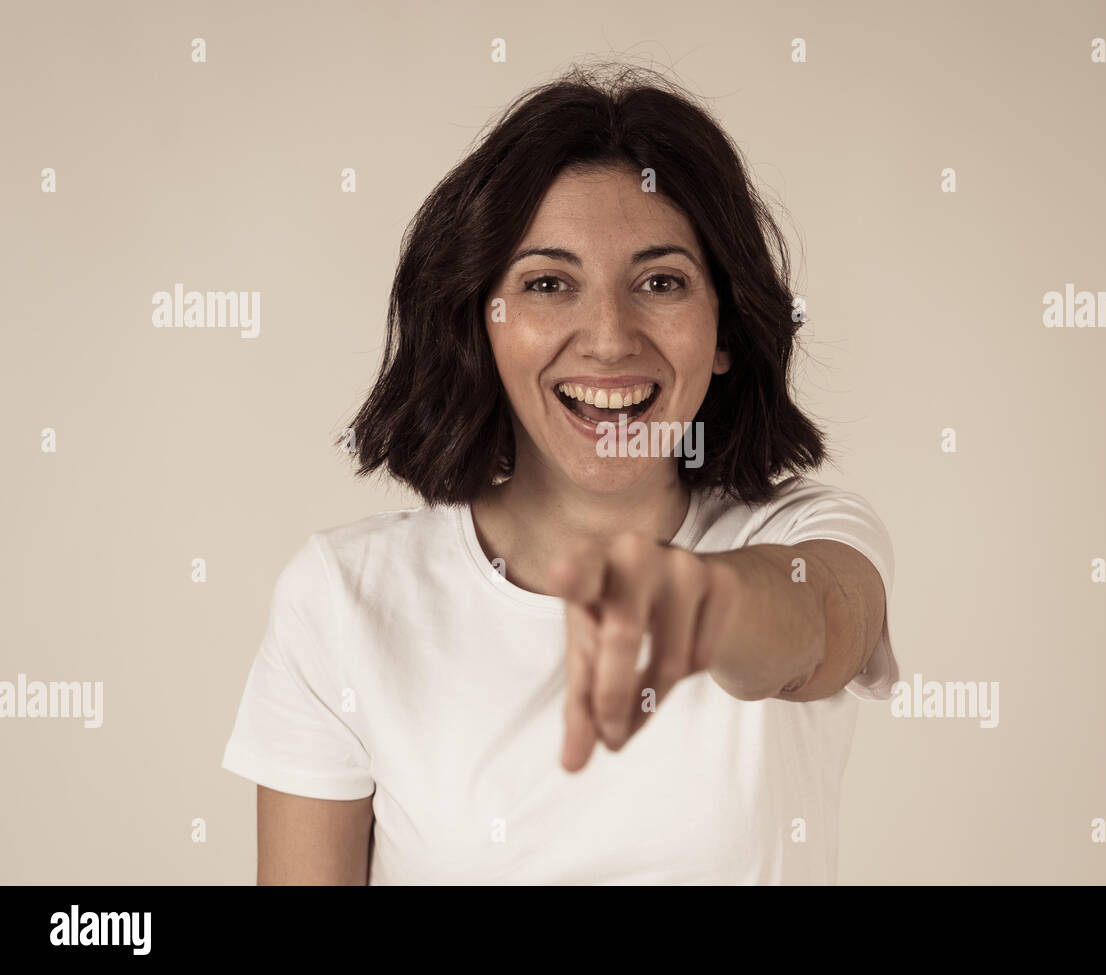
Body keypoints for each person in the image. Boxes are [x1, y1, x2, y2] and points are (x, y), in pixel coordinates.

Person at [221, 61, 899, 884]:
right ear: (482, 323)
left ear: (724, 330)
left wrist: (697, 601)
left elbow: (820, 623)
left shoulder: (801, 533)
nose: (609, 337)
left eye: (661, 282)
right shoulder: (342, 599)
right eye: (548, 283)